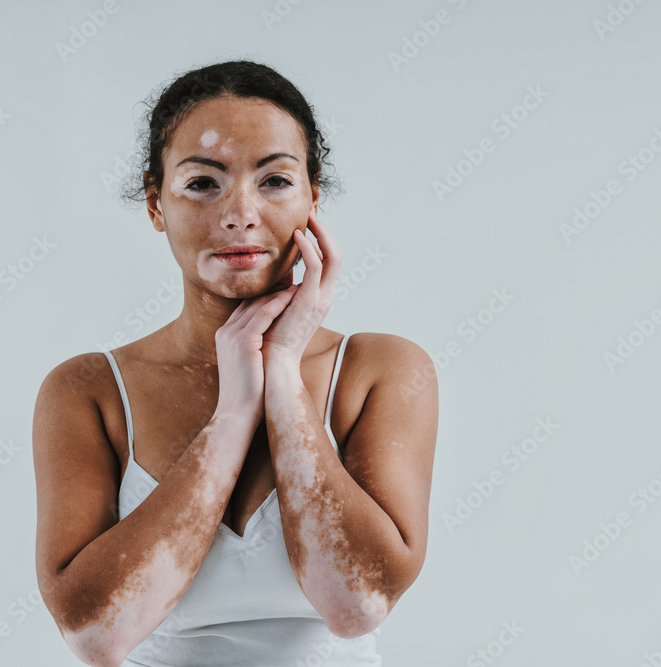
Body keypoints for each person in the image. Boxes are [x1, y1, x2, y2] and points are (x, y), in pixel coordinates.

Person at [32, 60, 438, 666]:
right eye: (202, 183)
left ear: (312, 199)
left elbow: (356, 604)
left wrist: (281, 376)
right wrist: (234, 412)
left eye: (274, 181)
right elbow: (96, 634)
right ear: (155, 205)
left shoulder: (382, 370)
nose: (240, 214)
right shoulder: (87, 390)